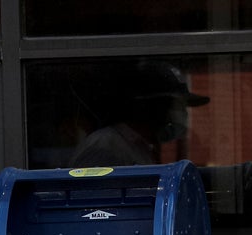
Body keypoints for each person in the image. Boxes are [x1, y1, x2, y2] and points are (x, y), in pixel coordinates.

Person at [69, 60, 209, 168]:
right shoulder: (105, 146)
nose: (182, 113)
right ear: (151, 105)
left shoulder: (141, 147)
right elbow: (91, 200)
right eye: (176, 105)